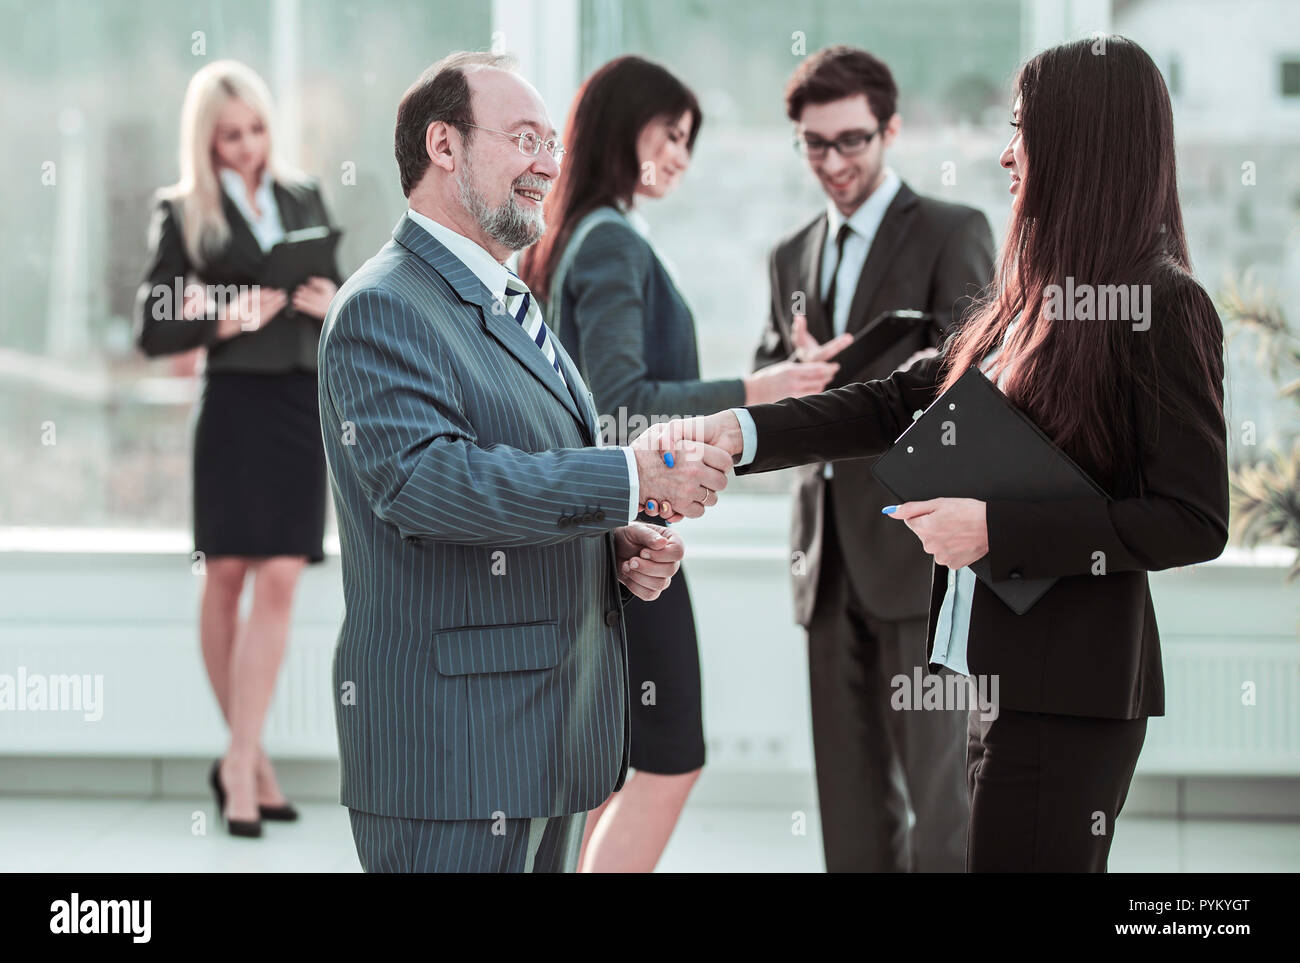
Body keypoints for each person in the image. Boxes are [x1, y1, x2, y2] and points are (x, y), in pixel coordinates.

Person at [653, 35, 1228, 872]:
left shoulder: (1165, 306)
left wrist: (997, 529)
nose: (1005, 152)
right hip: (992, 676)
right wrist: (740, 431)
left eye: (1023, 129)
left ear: (1082, 140)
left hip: (1070, 692)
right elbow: (894, 401)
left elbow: (1193, 519)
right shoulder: (1024, 300)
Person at [317, 51, 733, 873]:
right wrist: (629, 480)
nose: (550, 162)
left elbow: (513, 479)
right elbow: (427, 484)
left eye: (552, 141)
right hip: (455, 759)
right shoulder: (383, 305)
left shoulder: (511, 303)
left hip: (550, 745)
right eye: (524, 138)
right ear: (444, 145)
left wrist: (611, 545)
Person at [519, 55, 838, 873]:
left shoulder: (570, 238)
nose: (682, 158)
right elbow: (626, 398)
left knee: (605, 765)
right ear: (628, 130)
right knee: (669, 754)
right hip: (631, 536)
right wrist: (752, 390)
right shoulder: (612, 243)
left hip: (592, 526)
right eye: (674, 135)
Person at [751, 45, 995, 873]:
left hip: (917, 554)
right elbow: (768, 384)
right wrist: (799, 374)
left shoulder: (952, 231)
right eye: (814, 145)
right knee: (848, 806)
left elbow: (977, 388)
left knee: (942, 801)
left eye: (851, 140)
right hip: (824, 563)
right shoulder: (791, 254)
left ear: (891, 130)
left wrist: (871, 378)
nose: (833, 162)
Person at [135, 60, 343, 838]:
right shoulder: (184, 210)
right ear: (206, 140)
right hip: (233, 406)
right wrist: (224, 314)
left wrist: (333, 301)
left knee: (281, 577)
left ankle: (240, 757)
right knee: (225, 576)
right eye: (231, 136)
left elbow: (348, 297)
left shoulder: (303, 196)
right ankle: (248, 764)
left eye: (257, 129)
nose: (249, 147)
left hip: (297, 402)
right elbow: (153, 325)